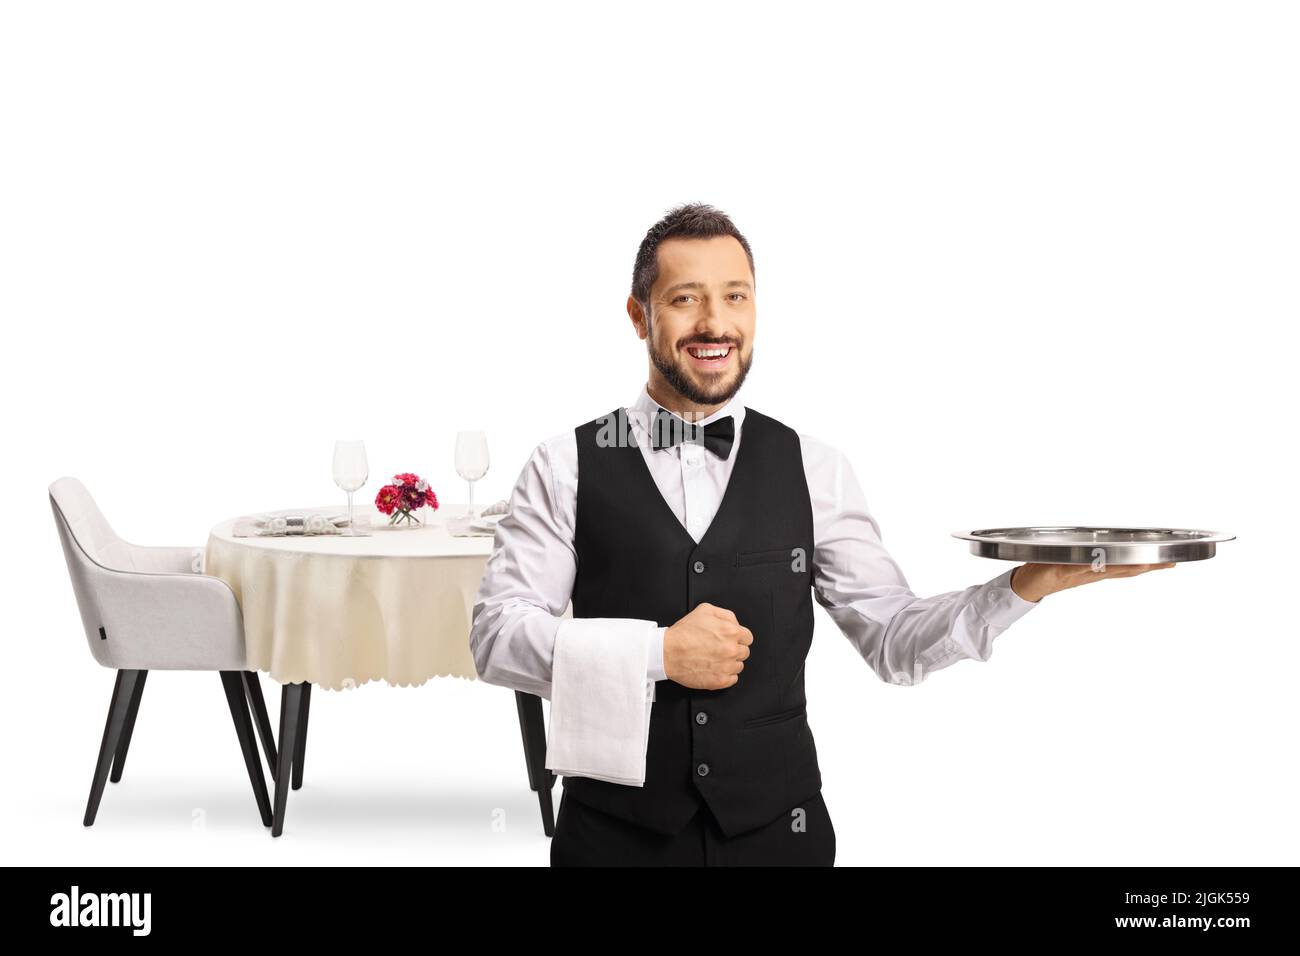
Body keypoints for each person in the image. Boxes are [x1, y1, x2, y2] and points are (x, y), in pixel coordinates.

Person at [468, 202, 1174, 866]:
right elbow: (497, 637)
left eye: (736, 296)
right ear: (638, 315)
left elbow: (895, 642)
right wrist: (656, 653)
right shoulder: (565, 465)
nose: (716, 322)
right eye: (686, 298)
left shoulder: (814, 467)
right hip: (613, 843)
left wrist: (1022, 588)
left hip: (781, 840)